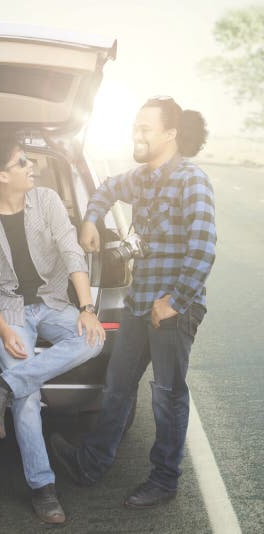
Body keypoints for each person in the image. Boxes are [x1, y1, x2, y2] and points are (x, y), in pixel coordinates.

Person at [50, 97, 216, 509]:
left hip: (173, 310)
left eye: (145, 128)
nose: (136, 134)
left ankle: (164, 480)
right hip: (139, 304)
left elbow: (203, 248)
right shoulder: (141, 178)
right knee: (117, 388)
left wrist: (175, 301)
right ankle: (90, 465)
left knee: (168, 396)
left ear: (170, 133)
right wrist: (91, 218)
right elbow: (107, 188)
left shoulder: (191, 181)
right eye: (135, 127)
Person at [0, 135, 104, 524]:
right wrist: (2, 329)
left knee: (92, 339)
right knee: (27, 398)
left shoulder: (46, 200)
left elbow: (71, 250)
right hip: (9, 311)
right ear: (1, 175)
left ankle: (2, 385)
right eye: (22, 162)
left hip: (53, 302)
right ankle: (43, 488)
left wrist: (87, 308)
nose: (32, 166)